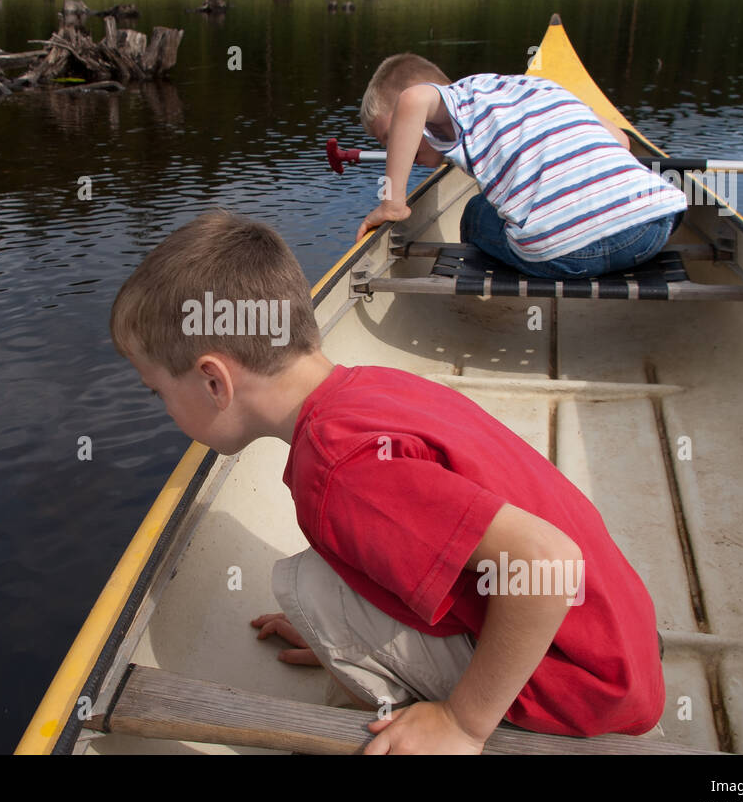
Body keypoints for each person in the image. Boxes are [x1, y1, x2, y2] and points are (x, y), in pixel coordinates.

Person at [110, 210, 665, 754]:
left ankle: (436, 721)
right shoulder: (368, 387)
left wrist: (463, 724)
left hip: (580, 691)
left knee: (309, 587)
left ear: (213, 381)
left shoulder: (340, 469)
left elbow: (546, 565)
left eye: (157, 391)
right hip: (617, 651)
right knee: (336, 575)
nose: (162, 407)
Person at [356, 53, 686, 280]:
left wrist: (391, 202)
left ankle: (484, 302)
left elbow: (412, 100)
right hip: (652, 228)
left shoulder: (456, 100)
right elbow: (622, 141)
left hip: (567, 255)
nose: (396, 149)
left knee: (477, 210)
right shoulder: (537, 88)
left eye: (394, 134)